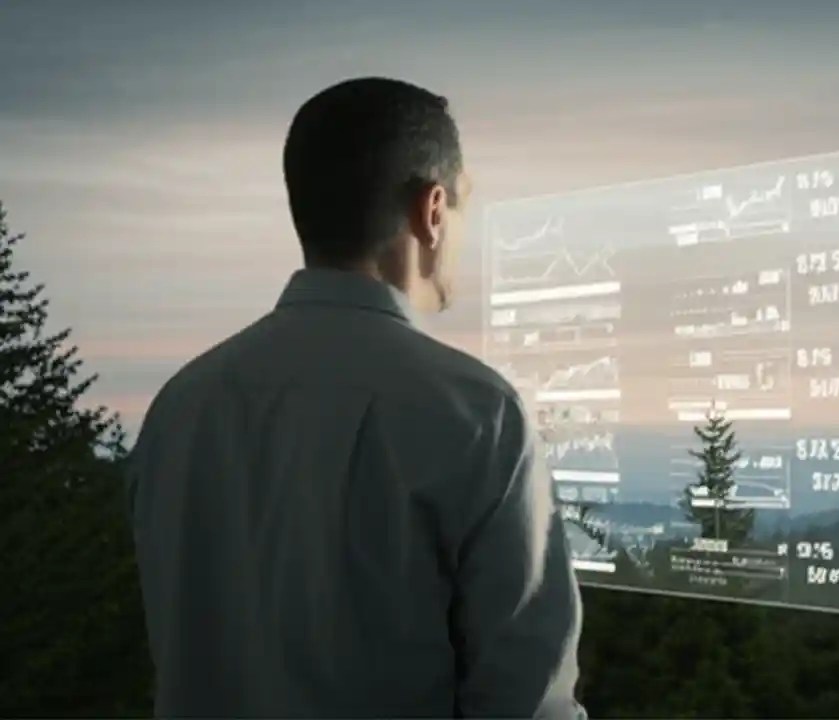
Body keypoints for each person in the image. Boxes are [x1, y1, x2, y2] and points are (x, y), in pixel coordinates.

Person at [126, 77, 585, 718]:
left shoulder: (182, 404)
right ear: (432, 210)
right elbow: (527, 703)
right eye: (463, 205)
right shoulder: (477, 414)